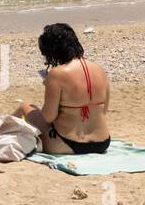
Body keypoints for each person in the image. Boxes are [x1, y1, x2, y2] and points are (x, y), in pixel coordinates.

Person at [14, 23, 111, 154]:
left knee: (24, 106)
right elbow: (103, 111)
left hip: (67, 144)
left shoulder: (57, 74)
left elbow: (48, 117)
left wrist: (50, 87)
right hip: (102, 143)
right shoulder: (99, 69)